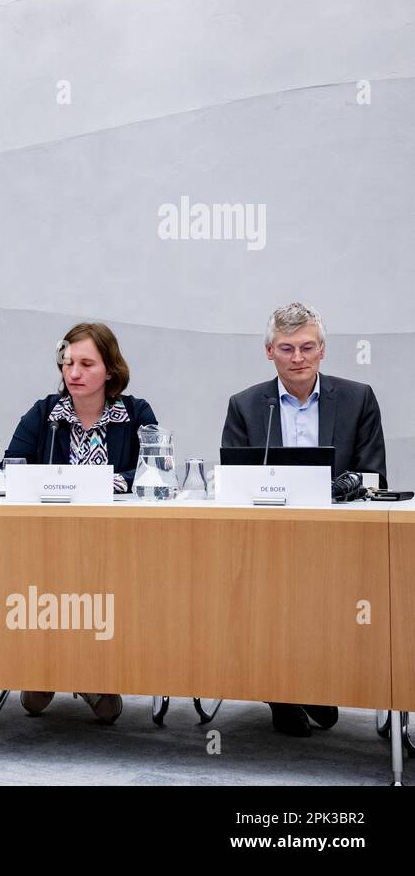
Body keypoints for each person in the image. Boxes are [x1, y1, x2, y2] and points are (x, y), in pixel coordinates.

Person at [0, 321, 157, 724]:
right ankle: (45, 668)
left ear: (110, 369)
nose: (74, 373)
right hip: (46, 542)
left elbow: (152, 473)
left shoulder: (136, 414)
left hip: (114, 544)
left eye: (87, 363)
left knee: (98, 591)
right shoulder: (44, 413)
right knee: (43, 585)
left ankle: (93, 676)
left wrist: (94, 483)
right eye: (68, 363)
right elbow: (12, 466)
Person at [222, 301, 387, 737]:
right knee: (266, 591)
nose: (298, 358)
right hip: (266, 539)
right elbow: (233, 480)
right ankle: (281, 692)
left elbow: (374, 474)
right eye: (287, 348)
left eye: (307, 348)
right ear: (269, 352)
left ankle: (315, 683)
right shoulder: (245, 405)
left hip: (338, 538)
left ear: (322, 351)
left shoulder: (357, 399)